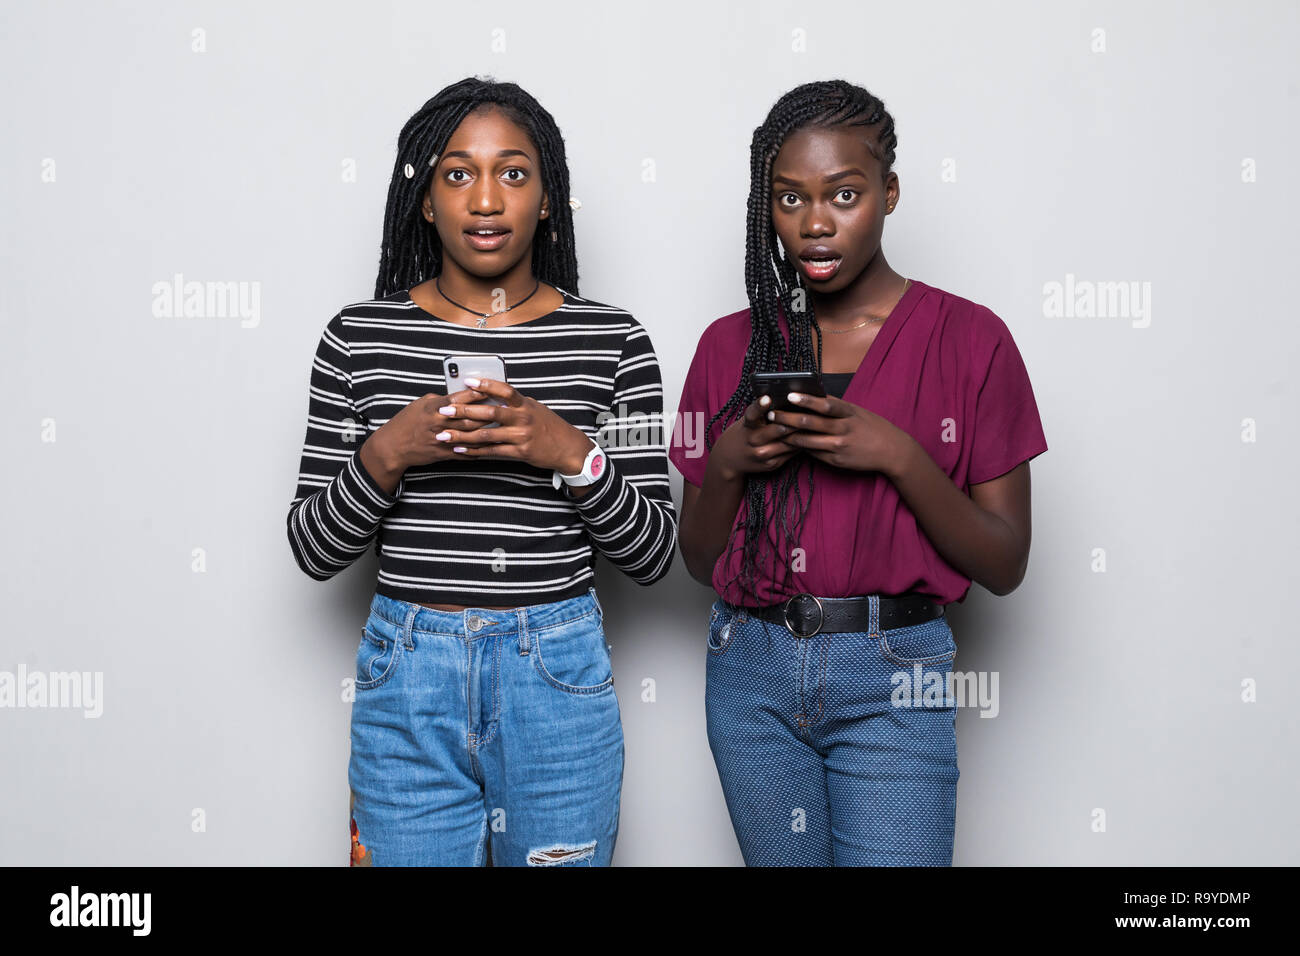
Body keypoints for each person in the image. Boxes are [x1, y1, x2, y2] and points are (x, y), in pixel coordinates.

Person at [286, 77, 676, 866]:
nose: (486, 198)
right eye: (458, 173)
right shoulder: (359, 338)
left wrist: (567, 451)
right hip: (408, 670)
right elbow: (313, 552)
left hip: (556, 670)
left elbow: (654, 553)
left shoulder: (614, 340)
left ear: (546, 198)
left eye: (514, 172)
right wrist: (389, 452)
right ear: (426, 201)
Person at [669, 79, 1048, 866]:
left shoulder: (973, 341)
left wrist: (899, 456)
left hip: (895, 676)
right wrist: (731, 463)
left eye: (844, 194)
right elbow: (699, 560)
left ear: (890, 192)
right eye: (788, 199)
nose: (814, 223)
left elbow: (1006, 563)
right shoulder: (725, 347)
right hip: (751, 673)